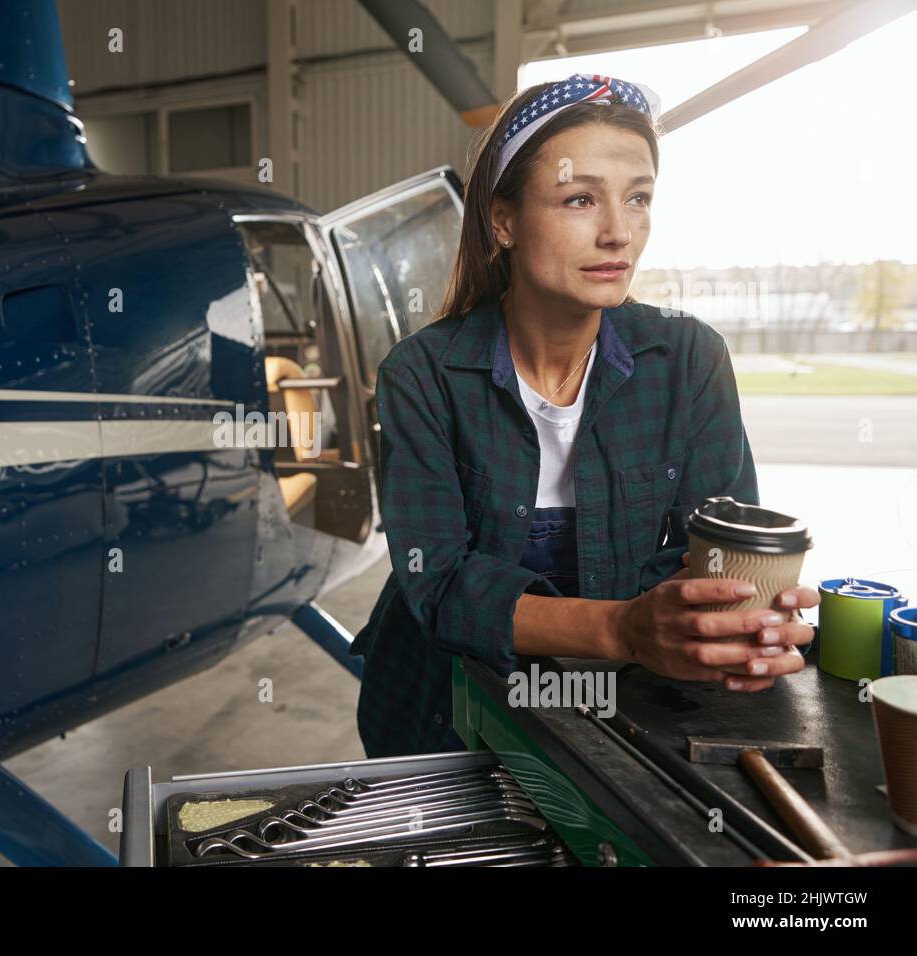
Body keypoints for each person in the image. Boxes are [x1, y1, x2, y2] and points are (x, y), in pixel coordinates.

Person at [350, 73, 820, 759]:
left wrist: (744, 621)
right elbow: (441, 584)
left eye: (639, 199)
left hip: (632, 709)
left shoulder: (689, 359)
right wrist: (627, 628)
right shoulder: (423, 374)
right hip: (443, 708)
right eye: (579, 199)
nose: (618, 232)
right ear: (502, 221)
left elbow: (719, 553)